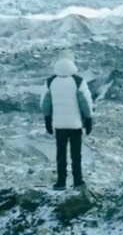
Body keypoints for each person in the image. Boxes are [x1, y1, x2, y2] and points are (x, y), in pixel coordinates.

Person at [40, 52, 94, 189]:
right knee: (76, 155)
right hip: (75, 125)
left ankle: (61, 182)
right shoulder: (78, 81)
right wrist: (88, 121)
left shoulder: (50, 81)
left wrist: (47, 120)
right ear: (72, 65)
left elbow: (45, 104)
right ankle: (78, 181)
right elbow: (85, 103)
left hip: (59, 125)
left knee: (61, 155)